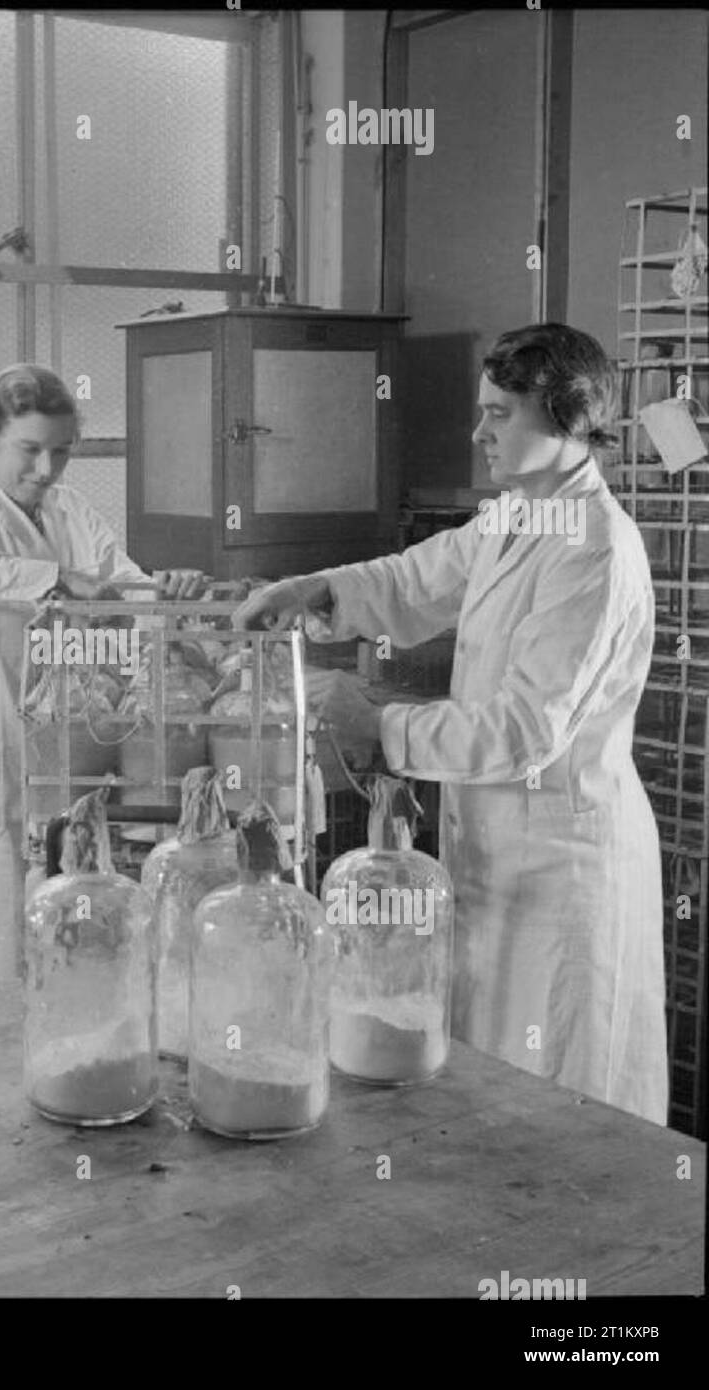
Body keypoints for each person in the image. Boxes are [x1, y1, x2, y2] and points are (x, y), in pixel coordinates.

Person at [234, 323, 668, 1125]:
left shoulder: (596, 550)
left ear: (569, 418)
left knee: (565, 1108)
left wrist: (382, 729)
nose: (479, 433)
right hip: (498, 859)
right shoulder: (521, 516)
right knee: (496, 1094)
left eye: (500, 414)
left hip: (562, 869)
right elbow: (416, 578)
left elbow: (523, 731)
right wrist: (315, 590)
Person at [0, 364, 207, 989]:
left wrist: (168, 590)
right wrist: (52, 580)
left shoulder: (70, 512)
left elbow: (126, 592)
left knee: (65, 953)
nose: (46, 469)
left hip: (66, 750)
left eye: (61, 452)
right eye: (30, 450)